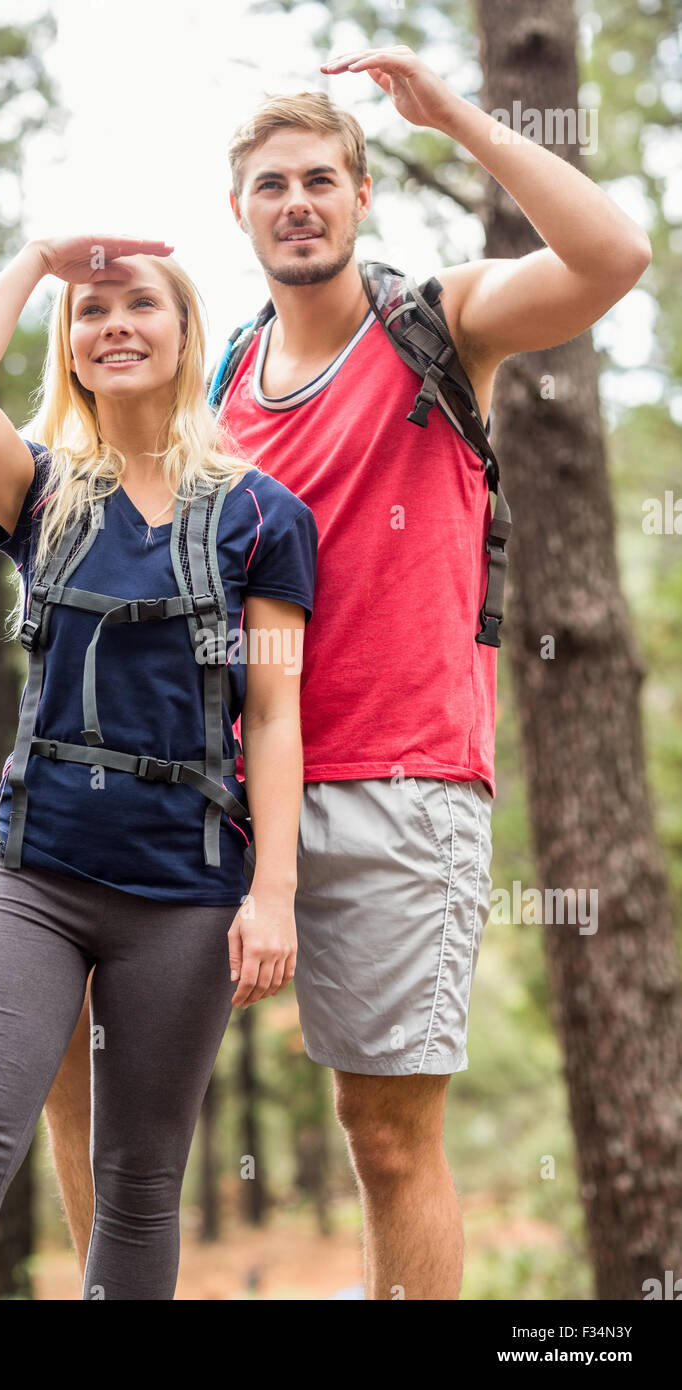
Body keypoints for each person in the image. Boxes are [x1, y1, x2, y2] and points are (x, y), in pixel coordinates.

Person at [38, 47, 651, 1301]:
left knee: (382, 1138)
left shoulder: (443, 325)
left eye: (322, 178)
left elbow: (612, 259)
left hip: (398, 784)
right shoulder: (214, 394)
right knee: (65, 1049)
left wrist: (456, 118)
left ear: (360, 195)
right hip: (214, 795)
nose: (298, 201)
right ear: (240, 212)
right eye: (272, 184)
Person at [0, 235, 317, 1301]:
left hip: (183, 892)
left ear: (182, 335)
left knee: (137, 1180)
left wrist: (272, 896)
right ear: (67, 349)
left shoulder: (265, 517)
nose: (114, 323)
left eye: (139, 305)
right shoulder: (39, 489)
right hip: (30, 875)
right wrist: (35, 263)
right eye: (91, 313)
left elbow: (270, 714)